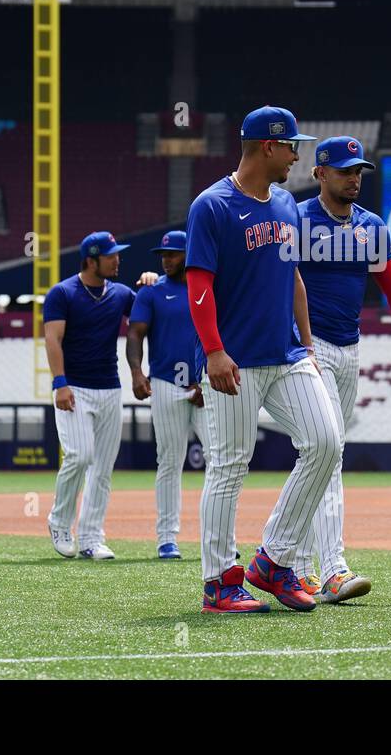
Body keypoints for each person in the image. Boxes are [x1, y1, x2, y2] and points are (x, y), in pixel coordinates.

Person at [185, 105, 342, 613]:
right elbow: (199, 285)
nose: (298, 154)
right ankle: (219, 581)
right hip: (234, 360)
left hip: (288, 353)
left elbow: (293, 277)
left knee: (325, 441)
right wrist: (213, 350)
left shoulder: (286, 205)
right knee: (229, 467)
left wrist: (310, 346)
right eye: (291, 145)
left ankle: (273, 560)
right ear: (267, 146)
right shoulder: (212, 205)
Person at [290, 135, 391, 603]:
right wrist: (296, 345)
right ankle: (329, 568)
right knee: (325, 453)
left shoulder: (371, 227)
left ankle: (295, 565)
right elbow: (275, 286)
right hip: (307, 348)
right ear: (319, 173)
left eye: (359, 170)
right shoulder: (296, 220)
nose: (354, 177)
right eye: (344, 170)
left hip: (349, 347)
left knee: (322, 455)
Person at [43, 231, 135, 561]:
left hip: (110, 387)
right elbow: (52, 339)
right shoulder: (62, 293)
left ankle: (92, 537)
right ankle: (59, 521)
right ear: (91, 260)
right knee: (80, 456)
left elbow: (147, 315)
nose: (117, 259)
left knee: (103, 468)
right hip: (75, 389)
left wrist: (151, 282)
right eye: (110, 255)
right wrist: (60, 383)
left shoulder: (122, 293)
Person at [126, 230, 206, 560]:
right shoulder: (152, 292)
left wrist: (210, 380)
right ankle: (166, 537)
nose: (166, 259)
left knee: (220, 461)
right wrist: (135, 372)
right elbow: (135, 333)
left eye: (173, 254)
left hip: (206, 385)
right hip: (165, 383)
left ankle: (216, 538)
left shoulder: (209, 286)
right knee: (169, 462)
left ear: (190, 254)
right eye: (163, 254)